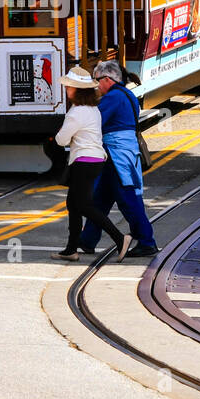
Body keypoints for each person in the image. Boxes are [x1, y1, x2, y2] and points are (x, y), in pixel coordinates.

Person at [78, 60, 159, 257]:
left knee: (127, 198)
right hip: (123, 153)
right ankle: (87, 239)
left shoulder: (113, 97)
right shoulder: (128, 94)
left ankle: (147, 240)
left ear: (107, 79)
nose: (96, 85)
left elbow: (95, 122)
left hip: (115, 155)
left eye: (97, 81)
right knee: (101, 199)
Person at [50, 66, 131, 262]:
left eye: (69, 87)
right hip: (94, 159)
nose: (67, 90)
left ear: (77, 90)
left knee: (84, 206)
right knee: (74, 205)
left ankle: (120, 239)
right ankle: (71, 249)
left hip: (83, 162)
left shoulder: (76, 112)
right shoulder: (93, 109)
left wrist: (62, 132)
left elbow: (61, 140)